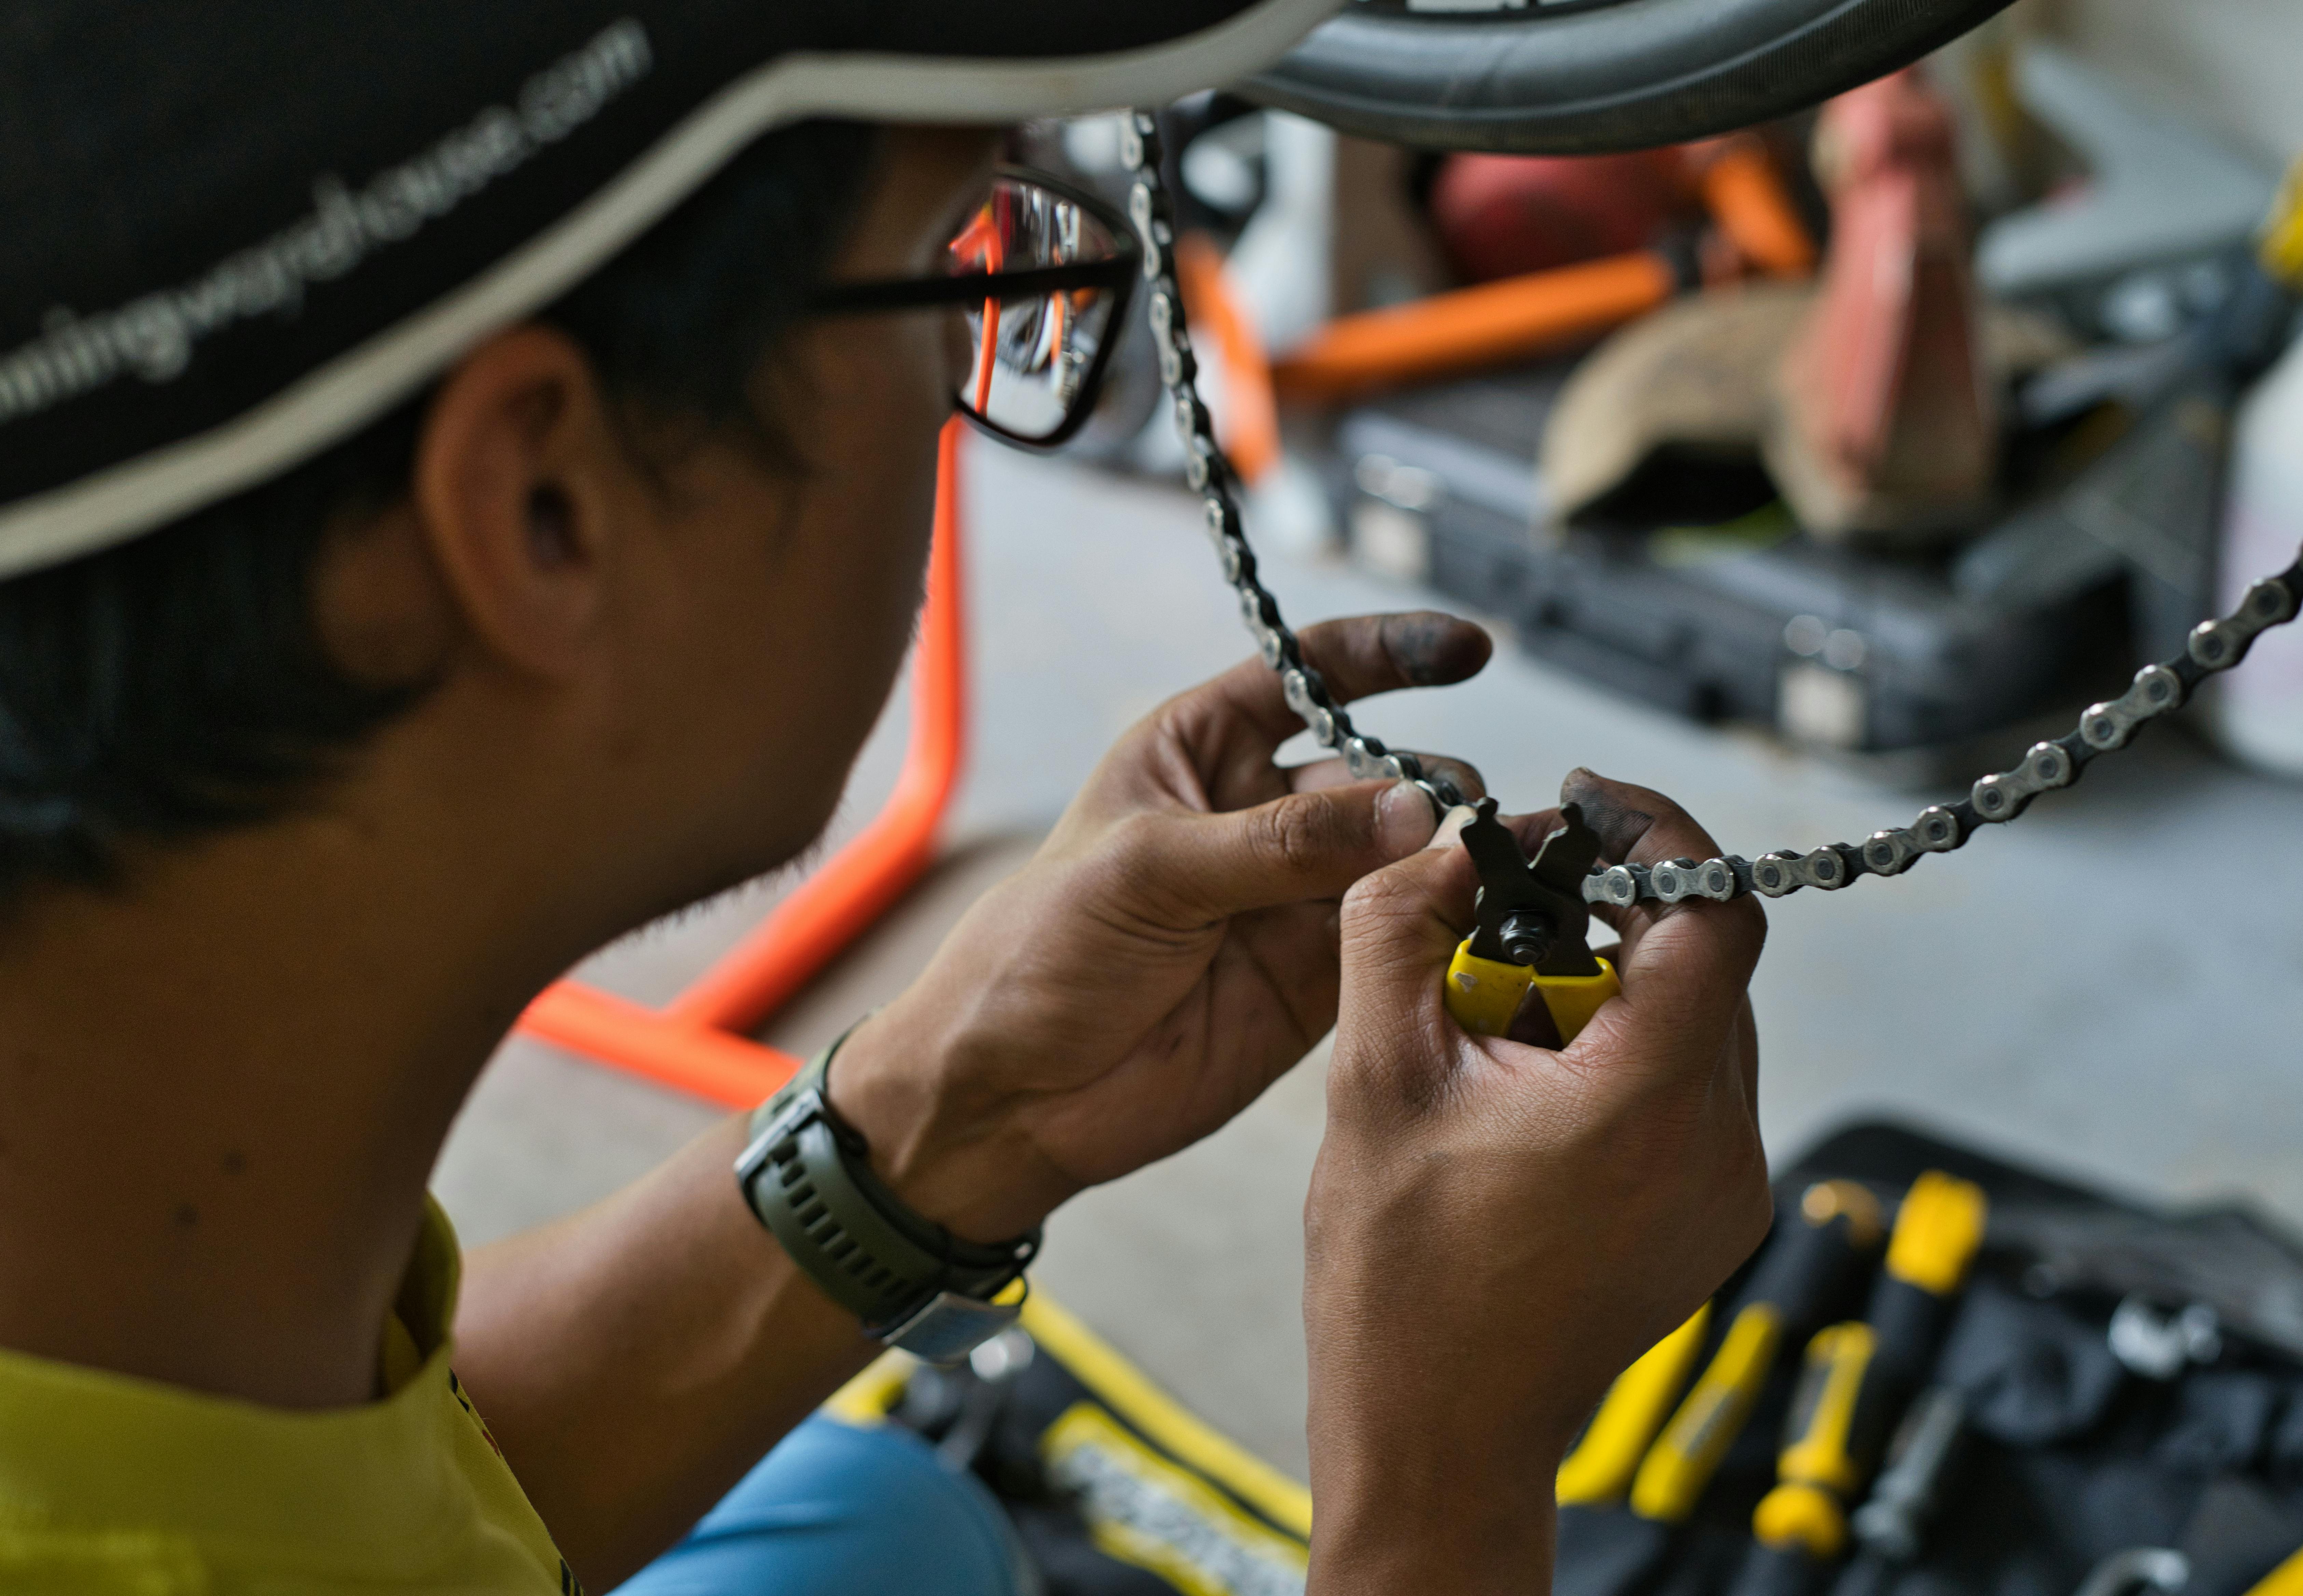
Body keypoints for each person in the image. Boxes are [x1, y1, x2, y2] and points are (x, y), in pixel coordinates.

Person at [0, 4, 1770, 1592]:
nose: (964, 381)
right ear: (546, 508)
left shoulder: (145, 1253)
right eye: (953, 262)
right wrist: (1443, 1482)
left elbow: (383, 1517)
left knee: (866, 1530)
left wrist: (941, 1121)